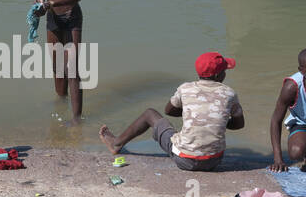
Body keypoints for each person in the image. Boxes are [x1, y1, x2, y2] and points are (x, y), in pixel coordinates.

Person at [98, 52, 244, 171]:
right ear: (218, 76)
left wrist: (192, 114)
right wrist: (216, 119)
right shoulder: (230, 93)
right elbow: (239, 124)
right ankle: (116, 144)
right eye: (224, 71)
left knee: (150, 113)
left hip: (184, 159)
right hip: (214, 160)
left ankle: (116, 144)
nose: (225, 74)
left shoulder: (186, 89)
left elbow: (168, 110)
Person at [32, 0, 84, 123]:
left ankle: (77, 119)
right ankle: (61, 104)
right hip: (53, 18)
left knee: (72, 68)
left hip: (71, 17)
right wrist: (40, 0)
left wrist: (54, 3)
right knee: (56, 66)